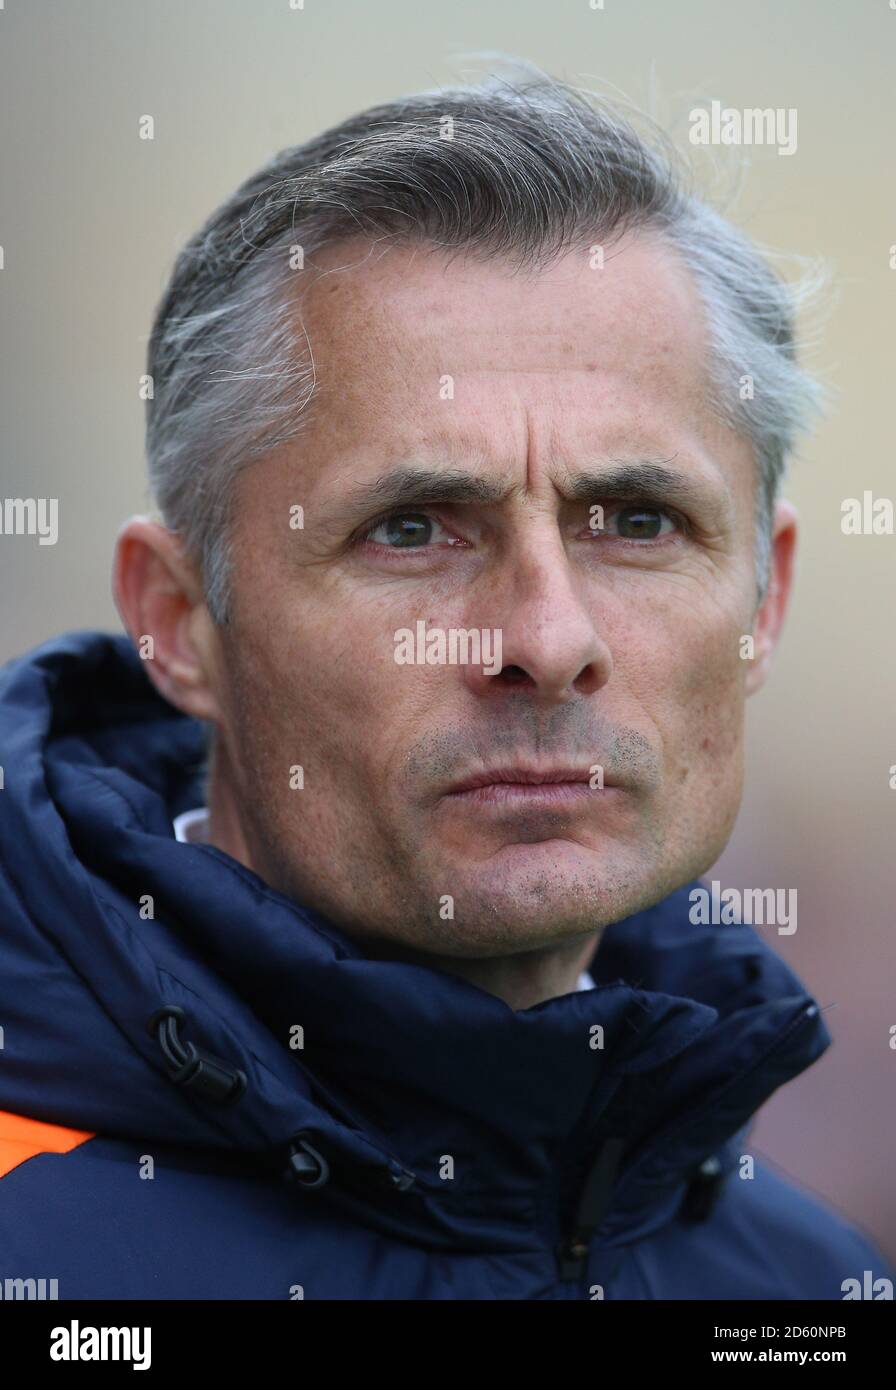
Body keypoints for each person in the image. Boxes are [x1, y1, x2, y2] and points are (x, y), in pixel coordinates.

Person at [0, 65, 891, 1300]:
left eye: (634, 519)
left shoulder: (812, 1288)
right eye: (413, 530)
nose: (544, 636)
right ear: (181, 623)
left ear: (763, 601)